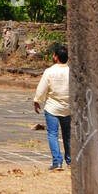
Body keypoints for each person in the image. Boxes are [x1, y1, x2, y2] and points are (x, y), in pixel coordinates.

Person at [34, 43, 71, 171]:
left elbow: (42, 89)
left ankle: (57, 161)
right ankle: (70, 161)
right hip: (68, 107)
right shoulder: (71, 72)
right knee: (68, 135)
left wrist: (37, 100)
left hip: (52, 108)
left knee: (53, 134)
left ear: (55, 57)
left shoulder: (49, 72)